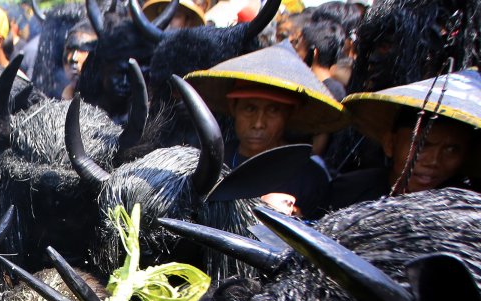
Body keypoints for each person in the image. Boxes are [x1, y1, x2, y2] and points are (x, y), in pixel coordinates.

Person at [186, 41, 347, 217]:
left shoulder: (310, 177)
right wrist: (260, 207)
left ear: (289, 114)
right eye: (250, 109)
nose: (258, 123)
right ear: (234, 108)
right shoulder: (209, 164)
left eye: (272, 111)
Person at [331, 70, 481, 207]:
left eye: (451, 150)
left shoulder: (465, 210)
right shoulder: (349, 190)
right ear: (390, 144)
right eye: (422, 145)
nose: (434, 161)